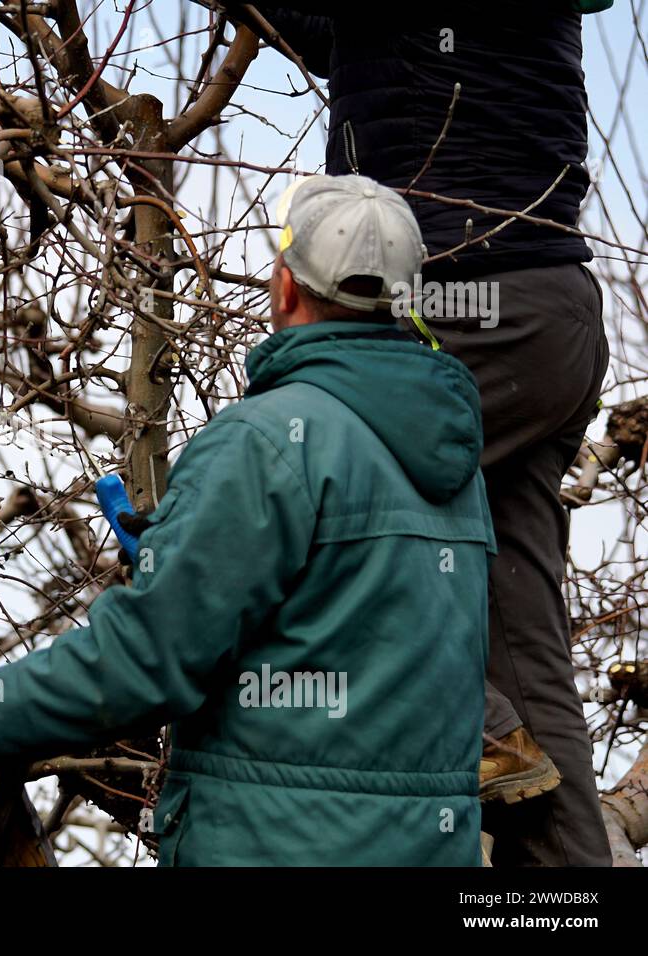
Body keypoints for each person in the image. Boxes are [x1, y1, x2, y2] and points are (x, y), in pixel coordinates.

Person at [0, 175, 494, 866]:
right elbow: (358, 633)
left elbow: (148, 660)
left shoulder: (265, 439)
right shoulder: (454, 461)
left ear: (285, 286)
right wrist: (188, 552)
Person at [245, 1, 612, 867]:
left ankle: (481, 729)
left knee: (297, 514)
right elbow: (333, 30)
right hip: (552, 312)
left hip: (460, 310)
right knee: (519, 644)